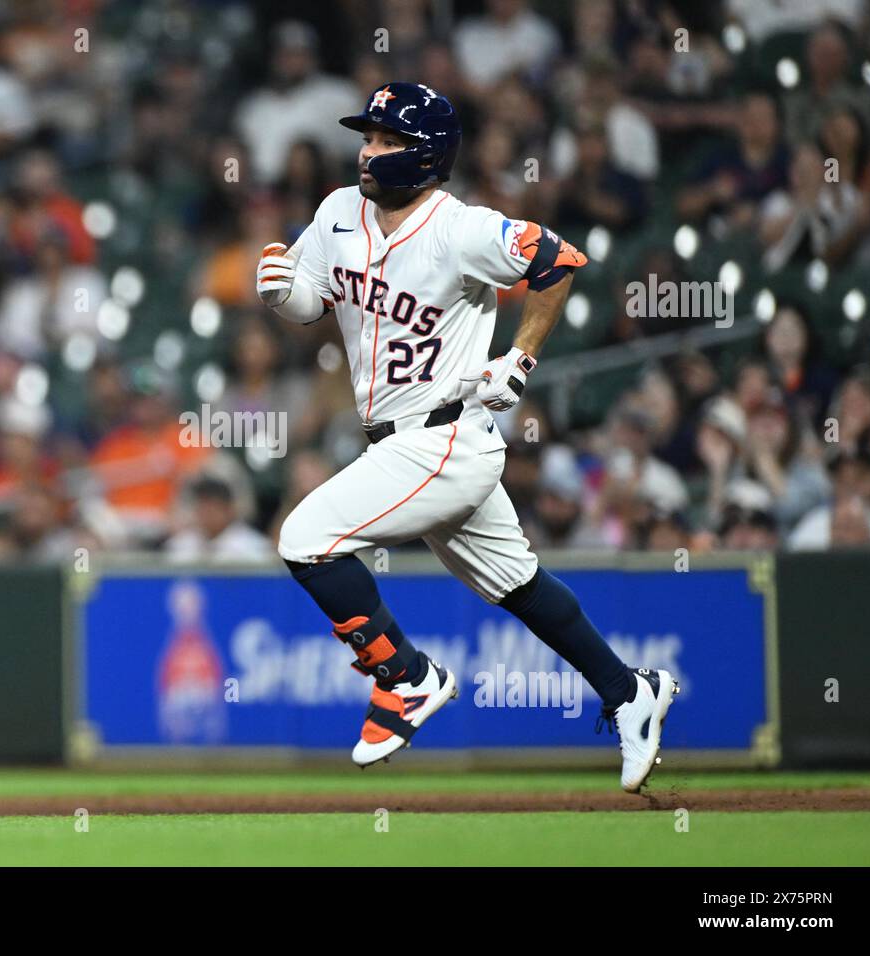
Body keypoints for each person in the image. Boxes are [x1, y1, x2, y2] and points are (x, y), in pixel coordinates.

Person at [255, 82, 678, 793]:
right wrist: (280, 293)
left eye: (387, 141)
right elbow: (309, 304)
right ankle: (629, 691)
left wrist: (519, 359)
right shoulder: (336, 213)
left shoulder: (462, 229)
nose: (368, 151)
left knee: (305, 540)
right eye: (368, 138)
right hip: (398, 439)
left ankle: (407, 676)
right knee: (517, 584)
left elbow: (558, 259)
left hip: (442, 438)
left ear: (425, 155)